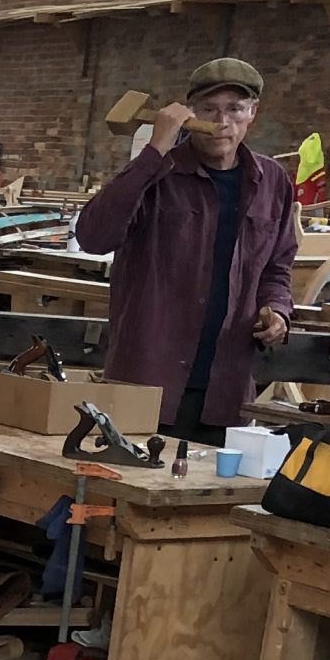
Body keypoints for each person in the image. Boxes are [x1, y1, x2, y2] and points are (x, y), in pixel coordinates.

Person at [74, 56, 294, 445]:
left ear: (252, 113)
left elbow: (277, 264)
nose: (222, 122)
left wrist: (277, 310)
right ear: (189, 114)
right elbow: (94, 237)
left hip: (226, 389)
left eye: (234, 109)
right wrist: (156, 148)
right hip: (148, 381)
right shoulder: (159, 172)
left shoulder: (271, 180)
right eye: (209, 109)